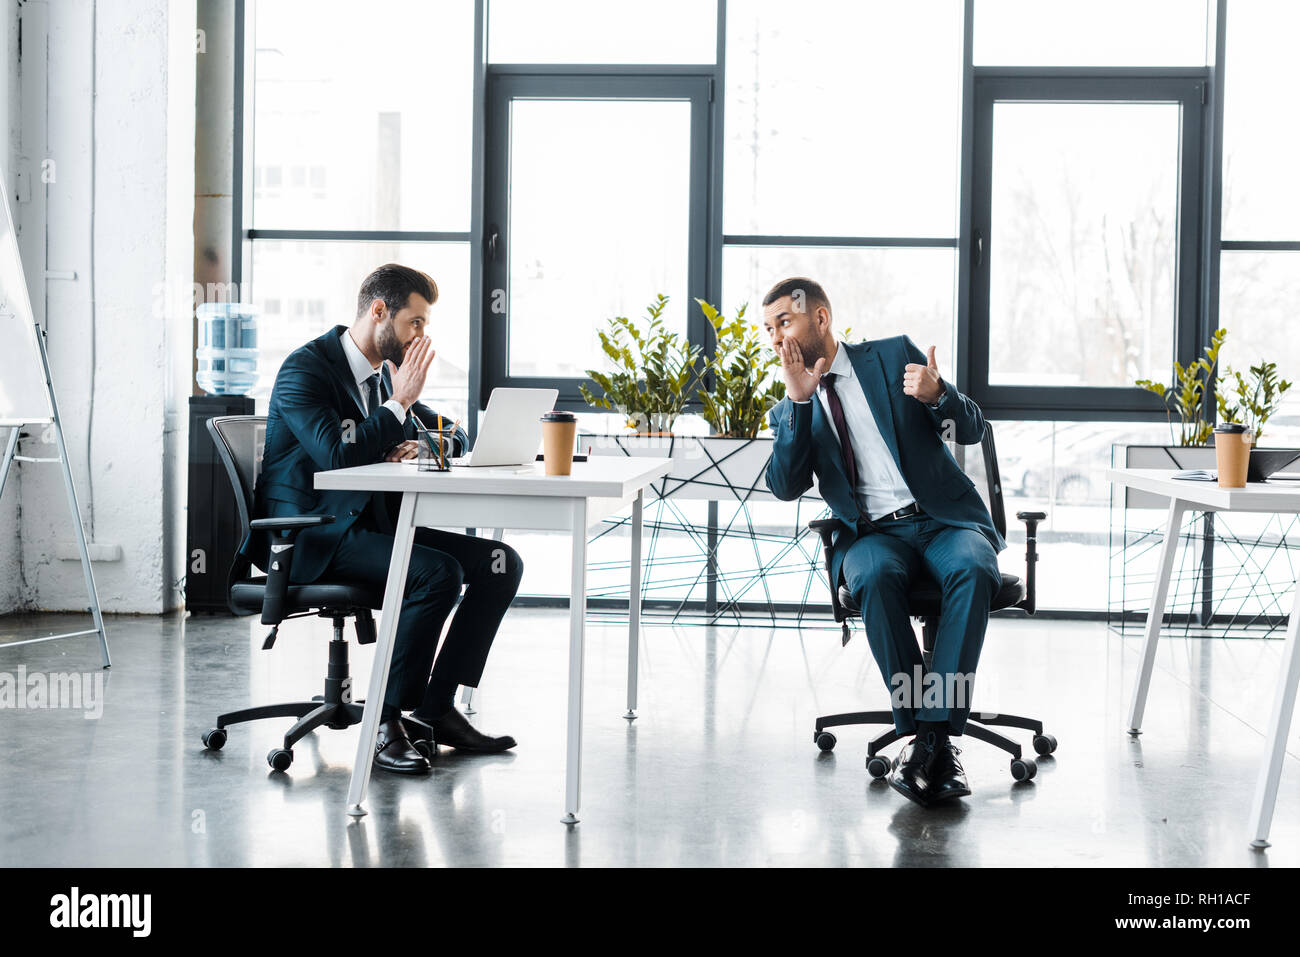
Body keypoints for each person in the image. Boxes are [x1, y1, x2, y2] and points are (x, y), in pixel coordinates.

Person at [252, 263, 521, 775]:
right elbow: (335, 453)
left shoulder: (380, 378)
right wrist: (398, 404)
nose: (421, 335)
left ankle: (436, 708)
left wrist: (425, 435)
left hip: (366, 527)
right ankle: (385, 719)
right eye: (414, 323)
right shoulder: (305, 370)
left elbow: (453, 432)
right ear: (380, 311)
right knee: (435, 572)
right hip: (311, 537)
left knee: (498, 562)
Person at [761, 277, 1005, 807]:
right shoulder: (789, 406)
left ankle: (931, 738)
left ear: (820, 319)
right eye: (769, 329)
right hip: (872, 534)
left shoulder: (893, 357)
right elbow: (783, 487)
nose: (776, 338)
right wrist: (800, 404)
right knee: (872, 577)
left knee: (973, 568)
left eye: (785, 322)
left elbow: (972, 428)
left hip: (944, 521)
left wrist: (940, 395)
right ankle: (933, 741)